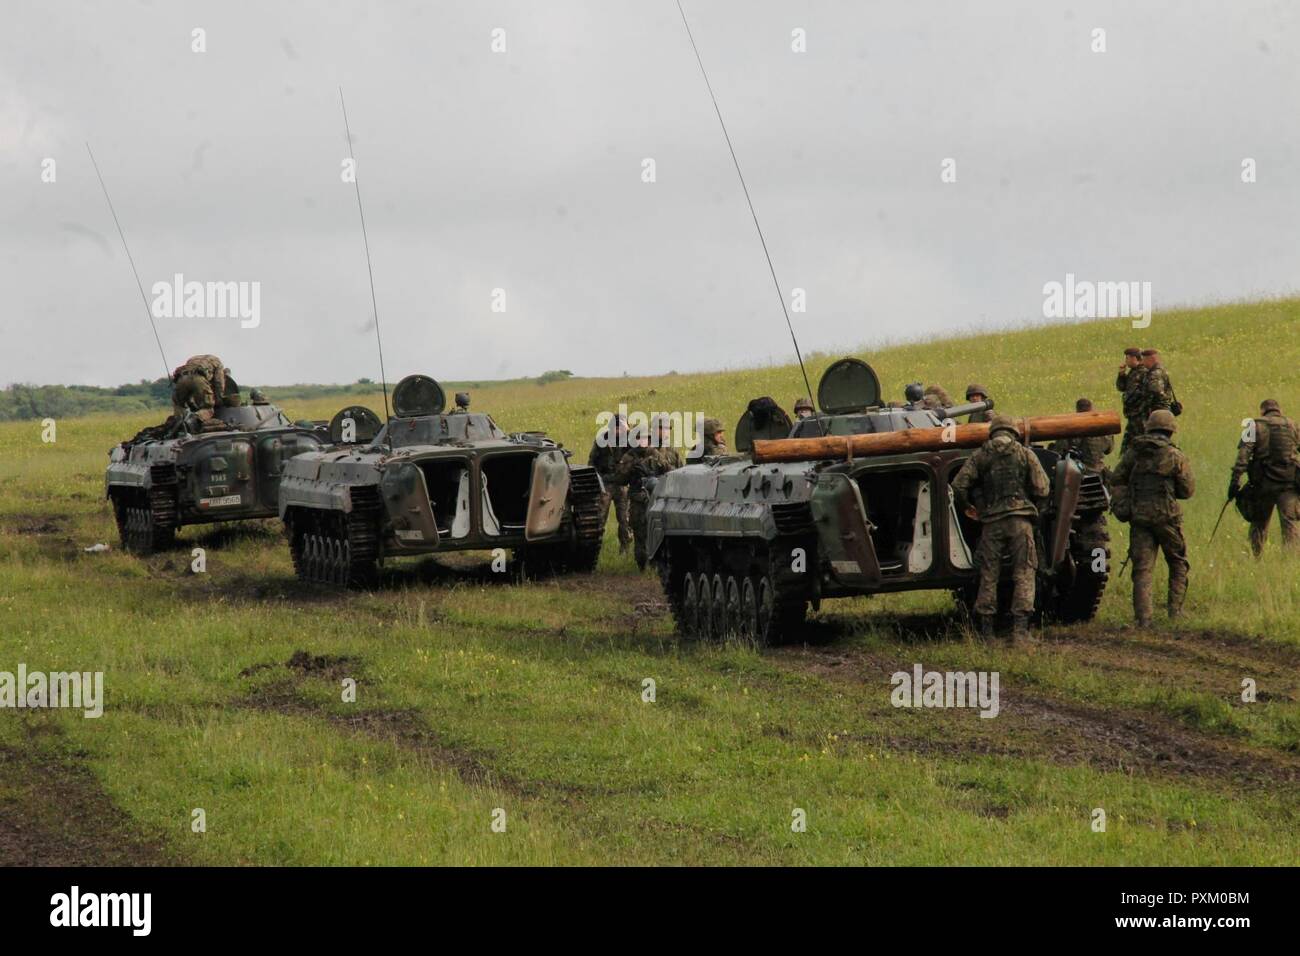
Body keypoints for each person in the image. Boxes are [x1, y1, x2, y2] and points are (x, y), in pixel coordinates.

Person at [951, 413, 1051, 642]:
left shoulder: (981, 455)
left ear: (993, 432)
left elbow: (958, 485)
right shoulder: (1025, 454)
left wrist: (970, 508)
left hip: (991, 523)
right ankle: (1020, 632)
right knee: (1024, 573)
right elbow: (1043, 488)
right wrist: (1035, 510)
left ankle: (986, 633)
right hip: (1020, 521)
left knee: (989, 574)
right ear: (1013, 432)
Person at [1111, 409, 1194, 627]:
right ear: (1170, 430)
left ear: (1149, 427)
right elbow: (1187, 490)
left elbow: (1116, 479)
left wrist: (1124, 506)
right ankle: (1175, 612)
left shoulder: (1134, 452)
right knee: (1177, 562)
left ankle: (1143, 618)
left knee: (1142, 568)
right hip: (1167, 518)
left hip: (1139, 518)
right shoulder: (1174, 455)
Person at [613, 414, 682, 571]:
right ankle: (643, 566)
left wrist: (657, 465)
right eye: (640, 438)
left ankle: (660, 565)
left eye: (647, 438)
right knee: (640, 534)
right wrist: (631, 467)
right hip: (639, 500)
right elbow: (620, 479)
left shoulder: (661, 453)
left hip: (661, 499)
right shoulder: (629, 456)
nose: (644, 442)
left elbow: (676, 472)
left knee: (661, 533)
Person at [1231, 399, 1300, 555]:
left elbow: (1243, 457)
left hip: (1263, 484)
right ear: (1279, 411)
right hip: (1289, 485)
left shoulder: (1253, 425)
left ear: (1262, 411)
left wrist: (1235, 481)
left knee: (1259, 524)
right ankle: (1291, 562)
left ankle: (1256, 559)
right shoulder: (1293, 425)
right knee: (1290, 525)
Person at [1050, 397, 1113, 551]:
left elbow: (1058, 452)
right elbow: (1109, 448)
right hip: (1097, 482)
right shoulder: (1100, 429)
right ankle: (1097, 563)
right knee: (1095, 523)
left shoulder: (1071, 428)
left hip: (1075, 481)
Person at [588, 413, 632, 555]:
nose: (619, 431)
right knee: (600, 518)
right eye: (616, 428)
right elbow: (592, 462)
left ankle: (624, 548)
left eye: (622, 428)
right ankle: (595, 549)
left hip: (622, 484)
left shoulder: (630, 440)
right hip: (605, 484)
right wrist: (597, 479)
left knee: (624, 519)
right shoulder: (602, 440)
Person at [1115, 347, 1147, 454]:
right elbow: (1121, 387)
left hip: (1139, 415)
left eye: (1127, 358)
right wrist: (1121, 375)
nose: (1126, 361)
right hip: (1132, 415)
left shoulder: (1143, 372)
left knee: (1139, 442)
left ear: (1134, 358)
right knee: (1127, 447)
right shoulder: (1133, 372)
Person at [1139, 348, 1175, 421]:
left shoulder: (1155, 373)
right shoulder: (1156, 371)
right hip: (1158, 411)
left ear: (1151, 359)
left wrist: (1147, 406)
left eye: (1144, 359)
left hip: (1157, 413)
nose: (1142, 362)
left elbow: (1156, 391)